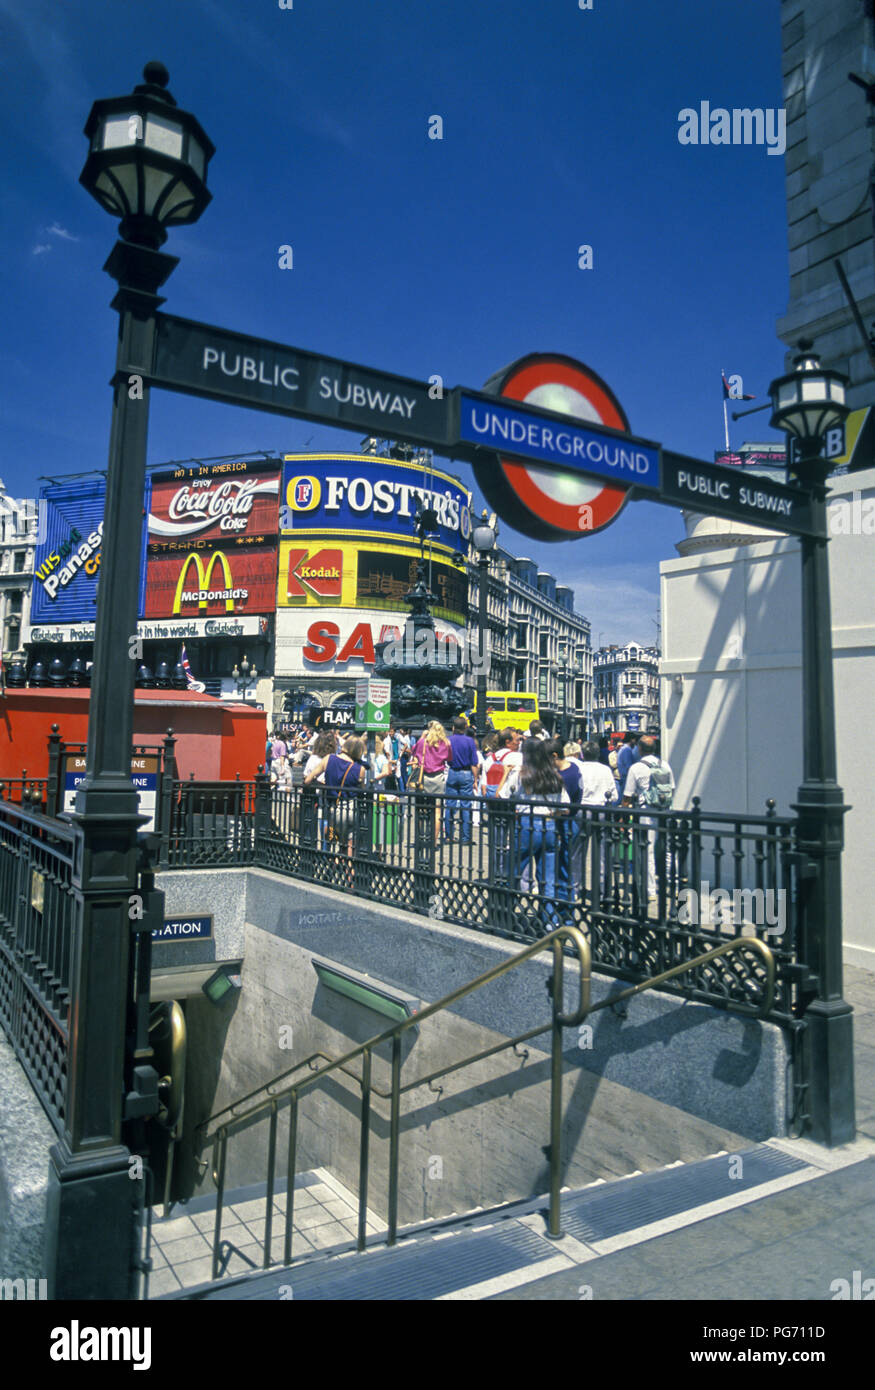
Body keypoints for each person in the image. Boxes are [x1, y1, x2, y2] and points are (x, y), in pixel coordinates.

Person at [514, 738, 569, 930]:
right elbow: (565, 807)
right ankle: (550, 922)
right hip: (550, 824)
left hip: (527, 823)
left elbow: (505, 795)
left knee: (515, 870)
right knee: (548, 878)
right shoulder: (555, 777)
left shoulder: (521, 774)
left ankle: (506, 911)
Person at [622, 735, 675, 902]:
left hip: (646, 812)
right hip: (664, 810)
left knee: (648, 850)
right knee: (667, 849)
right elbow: (672, 787)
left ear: (640, 749)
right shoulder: (664, 764)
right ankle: (671, 886)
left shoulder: (636, 768)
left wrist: (623, 814)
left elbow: (627, 796)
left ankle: (650, 889)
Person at [305, 735, 365, 855]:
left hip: (334, 808)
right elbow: (361, 790)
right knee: (349, 844)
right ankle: (350, 870)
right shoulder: (360, 768)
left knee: (335, 841)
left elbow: (308, 780)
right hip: (352, 808)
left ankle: (334, 866)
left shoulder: (329, 759)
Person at [410, 721, 452, 844]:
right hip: (438, 777)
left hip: (423, 778)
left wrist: (422, 737)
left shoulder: (423, 742)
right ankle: (433, 841)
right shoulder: (445, 743)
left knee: (421, 808)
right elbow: (449, 758)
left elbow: (414, 751)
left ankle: (420, 838)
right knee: (437, 810)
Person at [444, 717, 478, 843]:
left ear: (453, 727)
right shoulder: (470, 741)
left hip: (452, 772)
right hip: (466, 772)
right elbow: (474, 762)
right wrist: (475, 779)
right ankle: (465, 837)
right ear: (465, 727)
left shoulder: (449, 740)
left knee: (450, 805)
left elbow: (446, 757)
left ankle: (449, 835)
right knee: (466, 805)